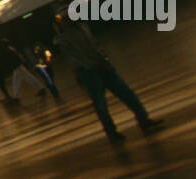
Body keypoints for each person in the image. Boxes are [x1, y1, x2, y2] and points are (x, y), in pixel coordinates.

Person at [52, 13, 165, 143]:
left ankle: (126, 126)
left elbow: (88, 50)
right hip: (92, 70)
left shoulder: (77, 31)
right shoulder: (70, 35)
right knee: (111, 99)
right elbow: (79, 56)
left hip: (95, 68)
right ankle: (130, 125)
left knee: (114, 98)